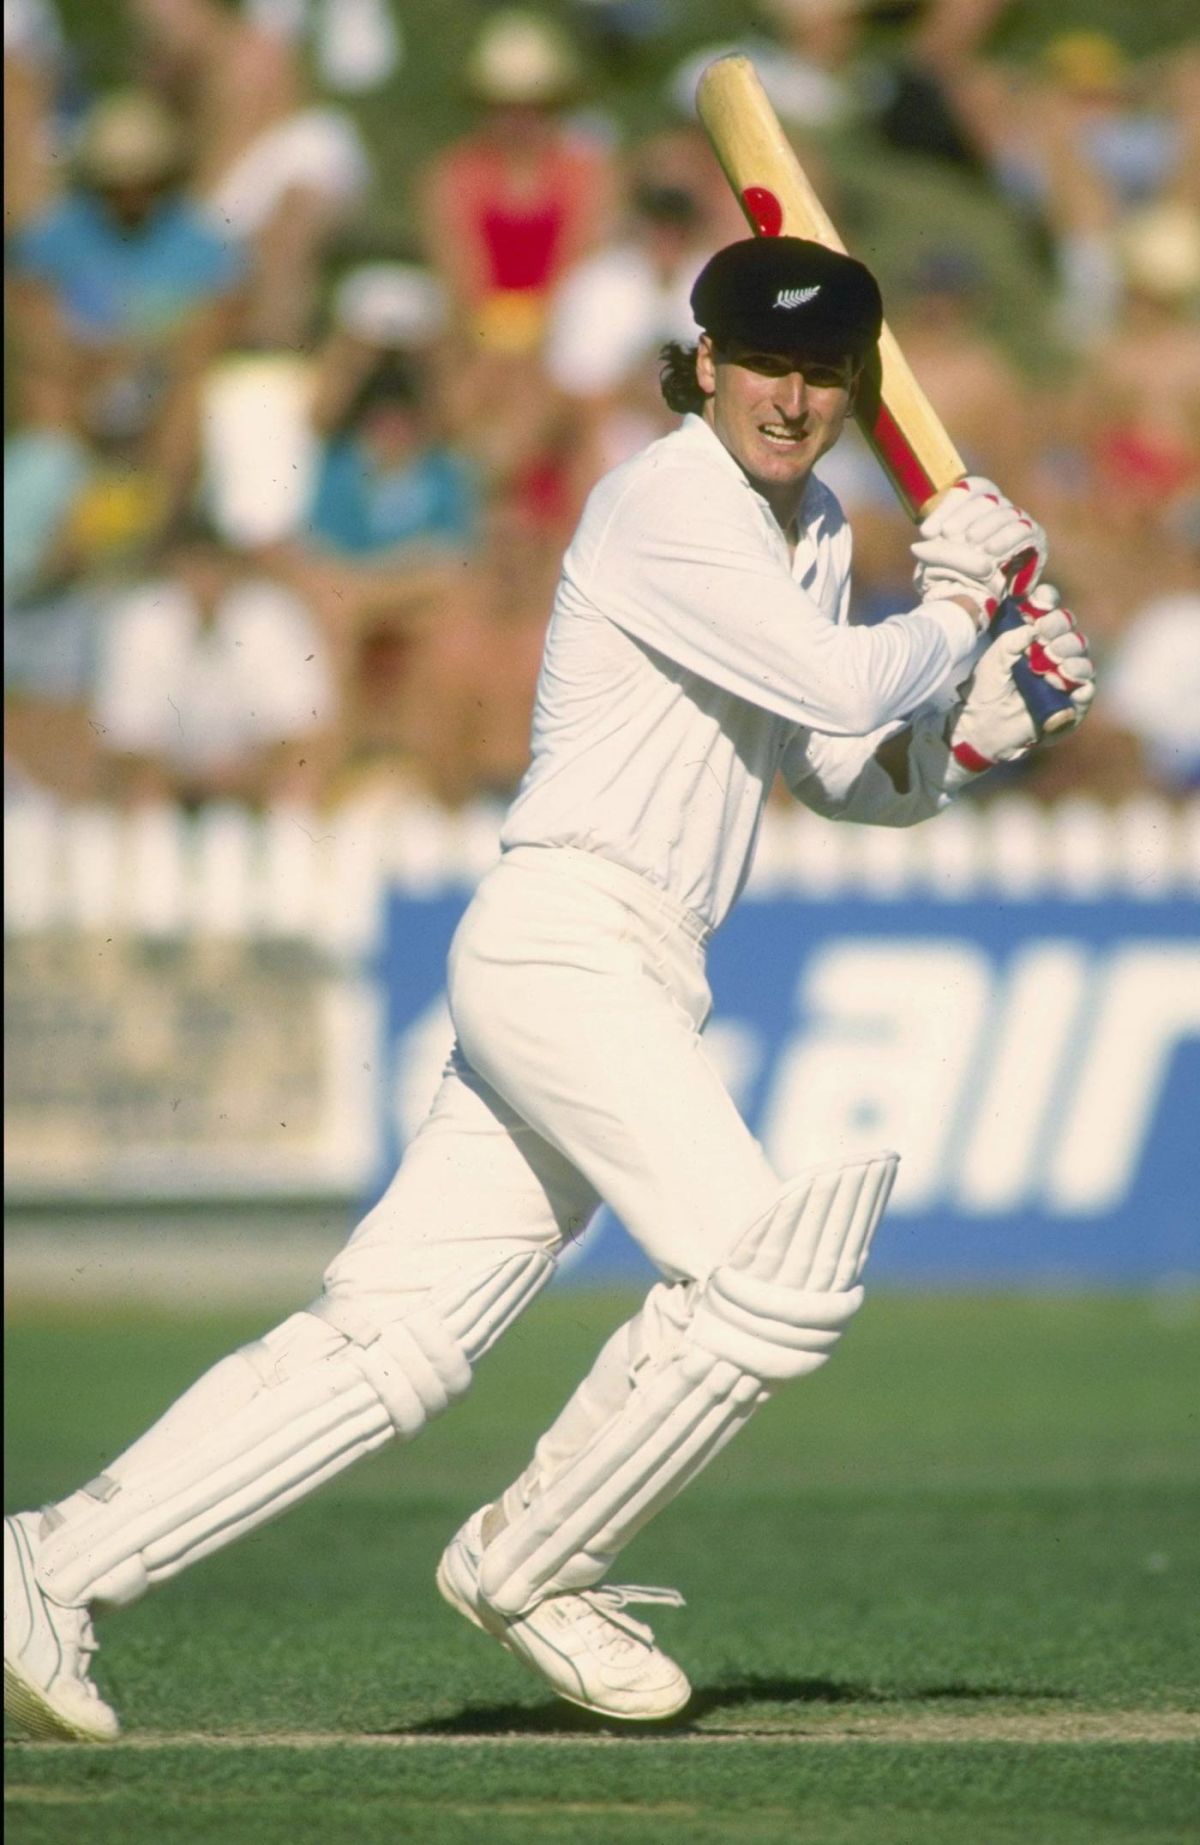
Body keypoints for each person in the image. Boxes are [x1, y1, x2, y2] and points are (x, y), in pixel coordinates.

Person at [4, 236, 1095, 1742]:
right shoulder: (667, 501)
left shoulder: (815, 533)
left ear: (852, 386)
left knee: (389, 1342)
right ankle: (533, 1567)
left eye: (821, 374)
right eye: (763, 366)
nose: (791, 399)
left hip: (636, 960)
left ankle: (47, 1568)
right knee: (770, 1275)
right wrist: (963, 600)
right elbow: (845, 681)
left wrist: (968, 739)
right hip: (565, 934)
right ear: (703, 364)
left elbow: (837, 764)